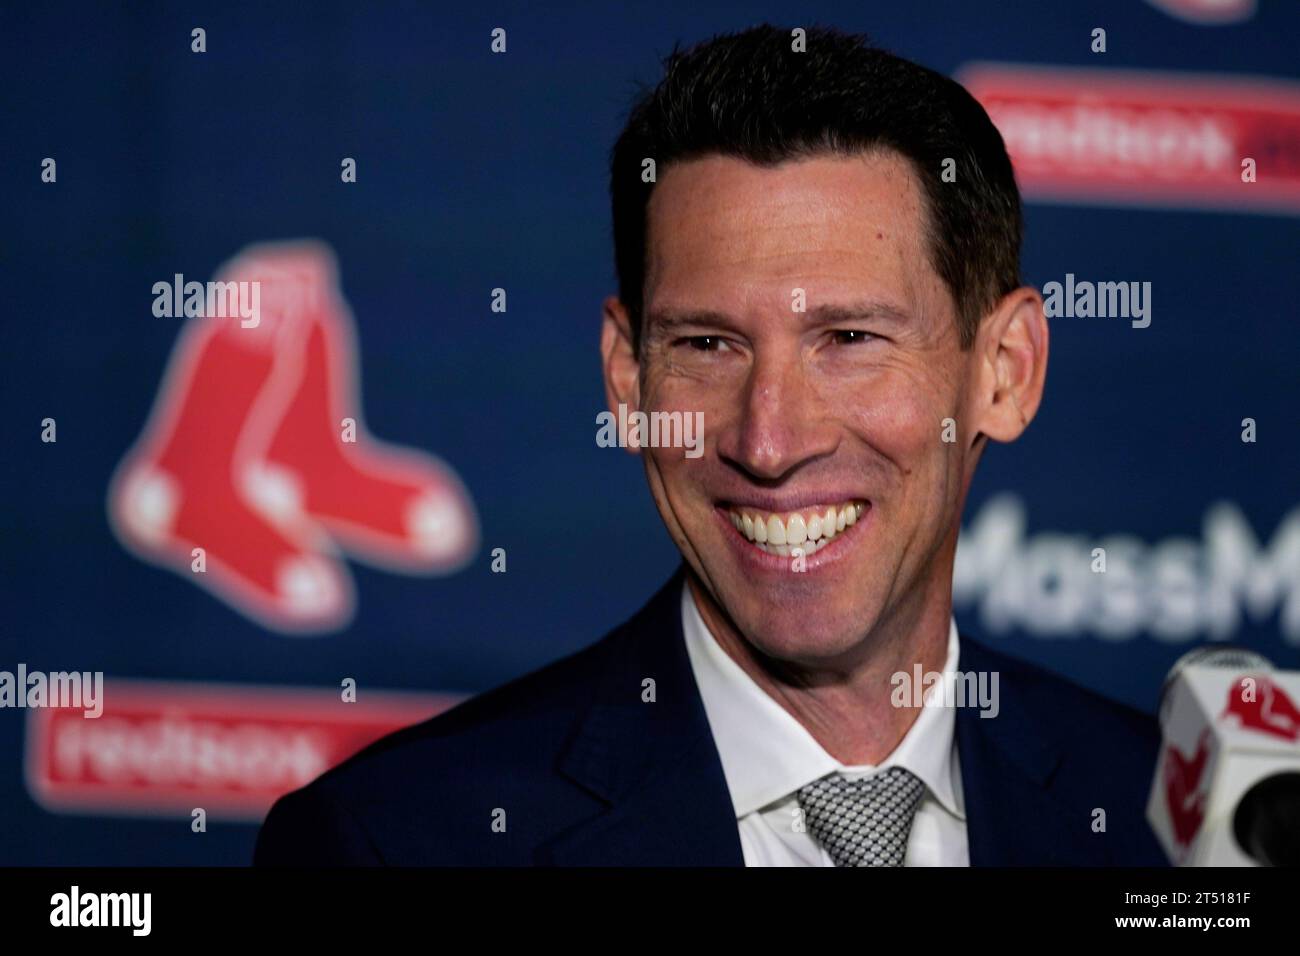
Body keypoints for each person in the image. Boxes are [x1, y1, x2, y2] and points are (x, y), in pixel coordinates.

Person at [254, 24, 1166, 866]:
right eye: (705, 345)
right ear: (626, 377)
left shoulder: (1174, 825)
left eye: (849, 340)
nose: (769, 439)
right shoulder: (397, 848)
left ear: (1004, 372)